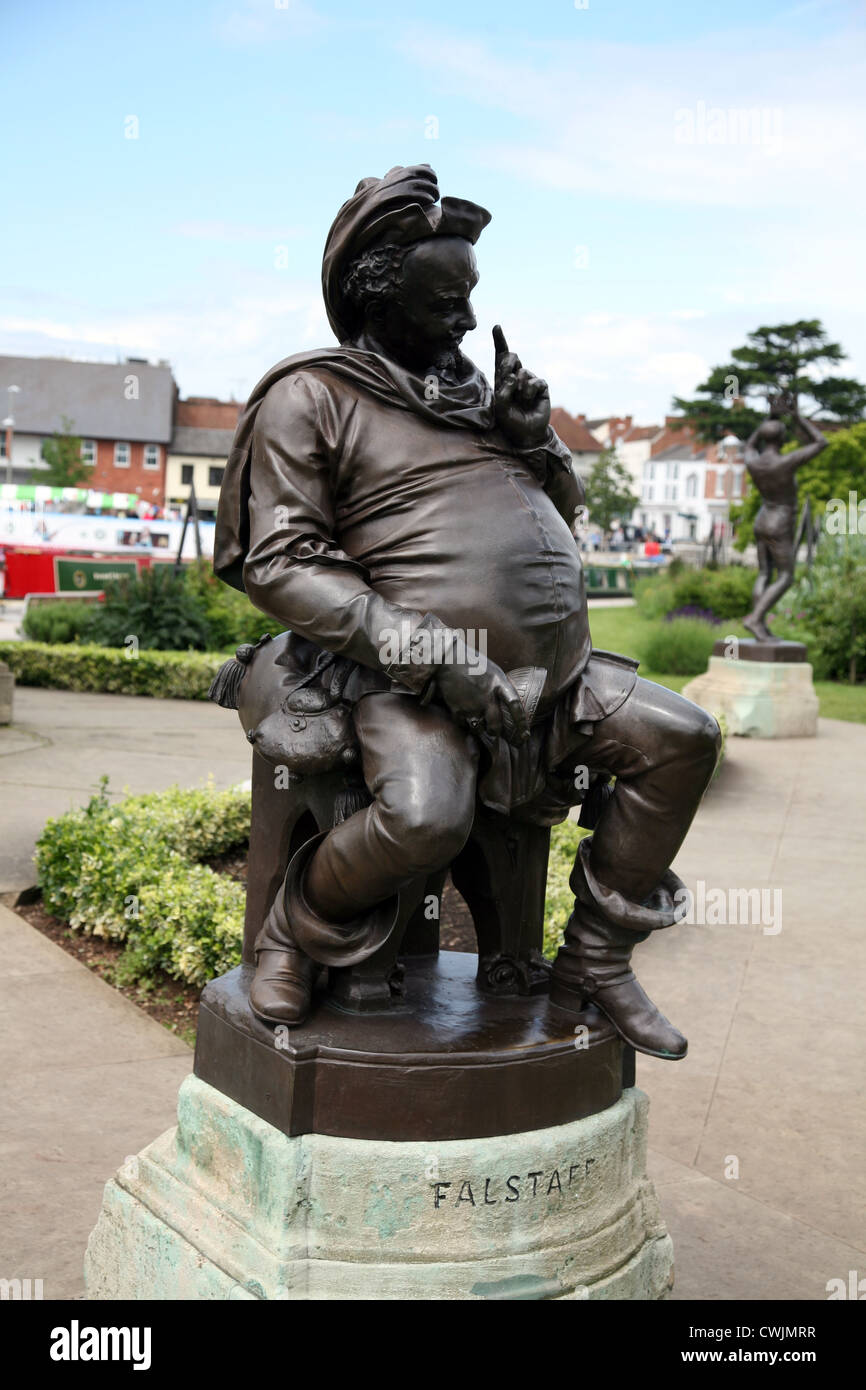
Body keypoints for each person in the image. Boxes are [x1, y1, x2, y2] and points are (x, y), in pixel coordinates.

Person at [215, 165, 721, 1060]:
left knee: (681, 739)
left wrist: (537, 441)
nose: (465, 319)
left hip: (554, 674)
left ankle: (594, 963)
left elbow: (558, 513)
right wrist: (435, 654)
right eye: (445, 299)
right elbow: (282, 565)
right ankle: (294, 927)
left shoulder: (478, 399)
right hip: (401, 674)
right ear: (377, 293)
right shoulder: (313, 397)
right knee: (427, 816)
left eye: (471, 296)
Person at [742, 393, 827, 641]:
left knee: (763, 574)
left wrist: (769, 418)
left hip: (762, 519)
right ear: (782, 438)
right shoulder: (786, 462)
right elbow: (821, 442)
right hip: (779, 523)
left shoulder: (754, 462)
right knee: (786, 576)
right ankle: (756, 619)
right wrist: (797, 418)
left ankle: (758, 627)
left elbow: (748, 445)